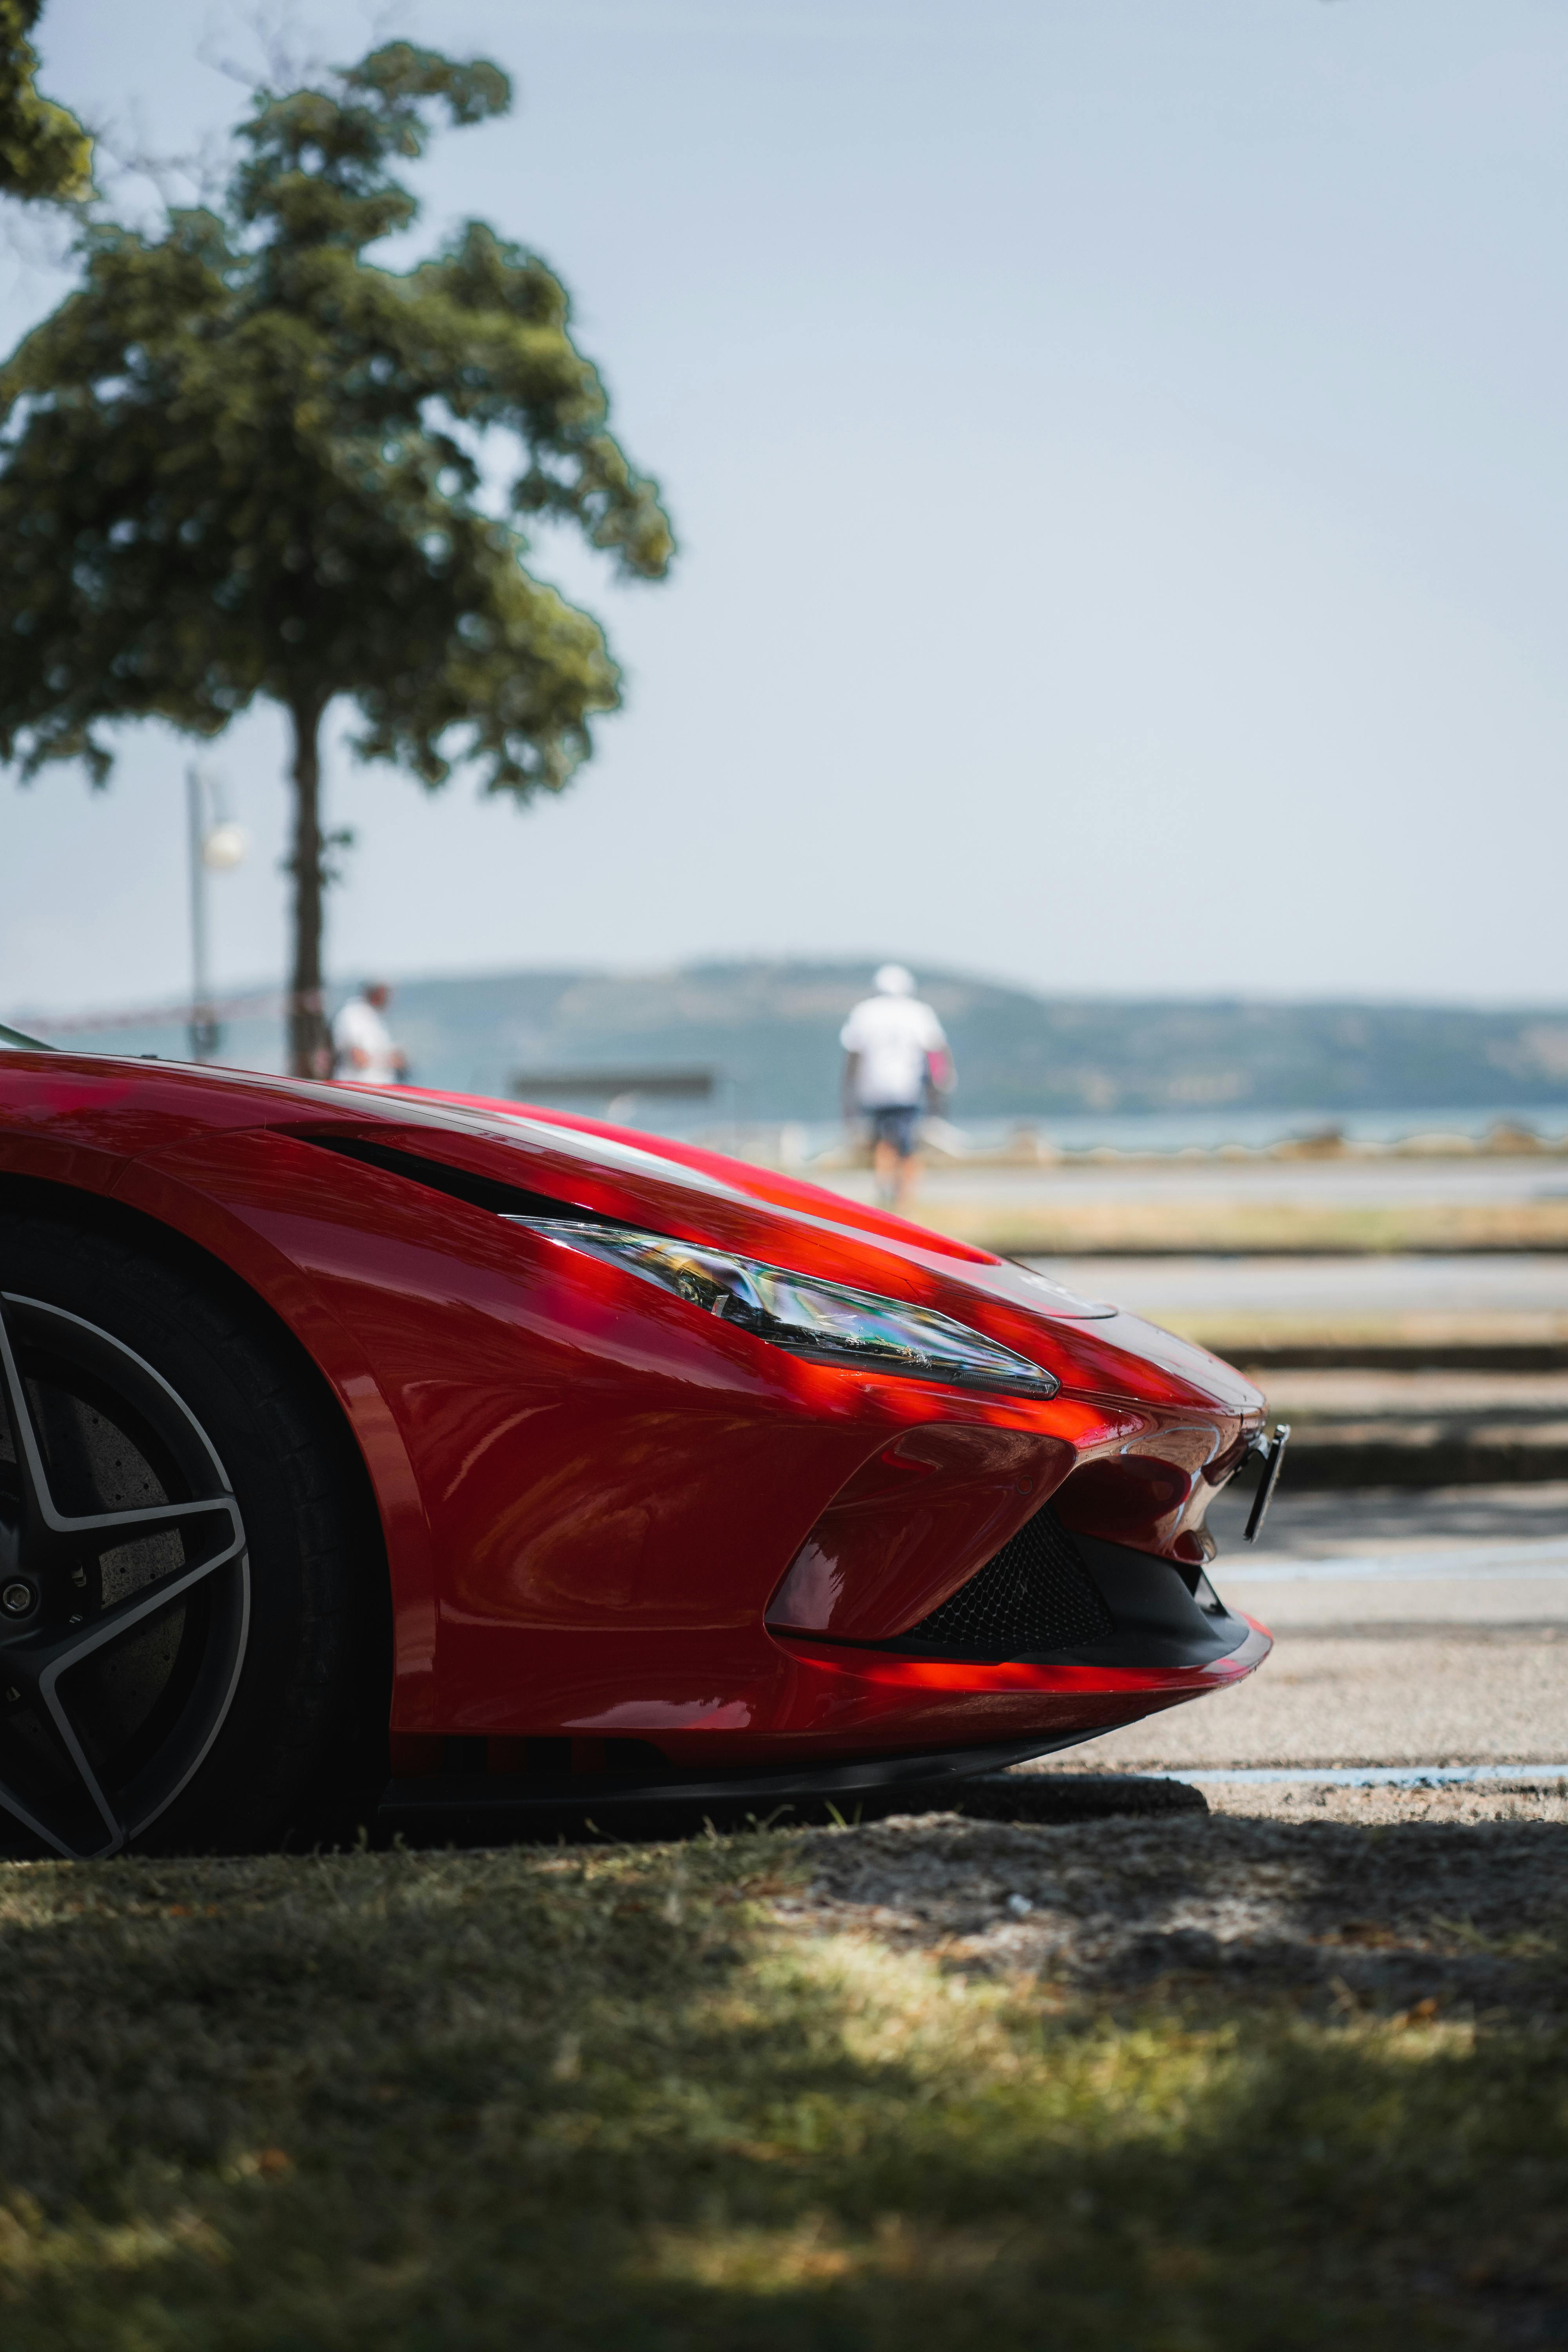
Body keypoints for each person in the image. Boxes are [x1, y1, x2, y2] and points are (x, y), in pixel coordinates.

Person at [840, 964, 954, 1209]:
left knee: (882, 1140)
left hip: (873, 1089)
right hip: (908, 1088)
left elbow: (853, 1055)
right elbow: (935, 1052)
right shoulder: (919, 1012)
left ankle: (884, 1191)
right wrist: (940, 1088)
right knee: (908, 1145)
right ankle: (905, 1199)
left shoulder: (864, 1012)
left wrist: (849, 1091)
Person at [331, 980, 408, 1086]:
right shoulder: (354, 1014)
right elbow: (358, 1058)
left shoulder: (373, 1016)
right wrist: (391, 1060)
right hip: (358, 1089)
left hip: (376, 1088)